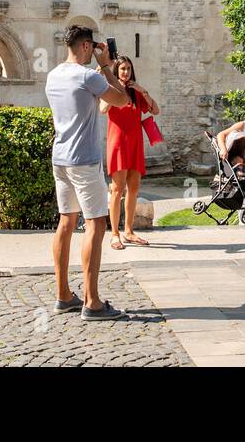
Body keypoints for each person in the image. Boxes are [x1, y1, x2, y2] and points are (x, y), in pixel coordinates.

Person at [45, 25, 132, 321]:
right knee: (96, 224)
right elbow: (122, 99)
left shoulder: (54, 75)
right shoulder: (89, 76)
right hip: (85, 160)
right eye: (91, 46)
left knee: (65, 221)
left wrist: (99, 70)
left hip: (60, 157)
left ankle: (63, 295)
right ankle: (92, 302)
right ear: (85, 46)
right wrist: (107, 67)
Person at [102, 55, 160, 250]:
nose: (126, 72)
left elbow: (155, 110)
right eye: (122, 69)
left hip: (135, 144)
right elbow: (103, 109)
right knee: (117, 190)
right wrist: (115, 89)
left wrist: (142, 90)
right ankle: (114, 234)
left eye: (128, 68)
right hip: (118, 143)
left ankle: (128, 231)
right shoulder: (111, 89)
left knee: (134, 188)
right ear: (117, 71)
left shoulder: (136, 93)